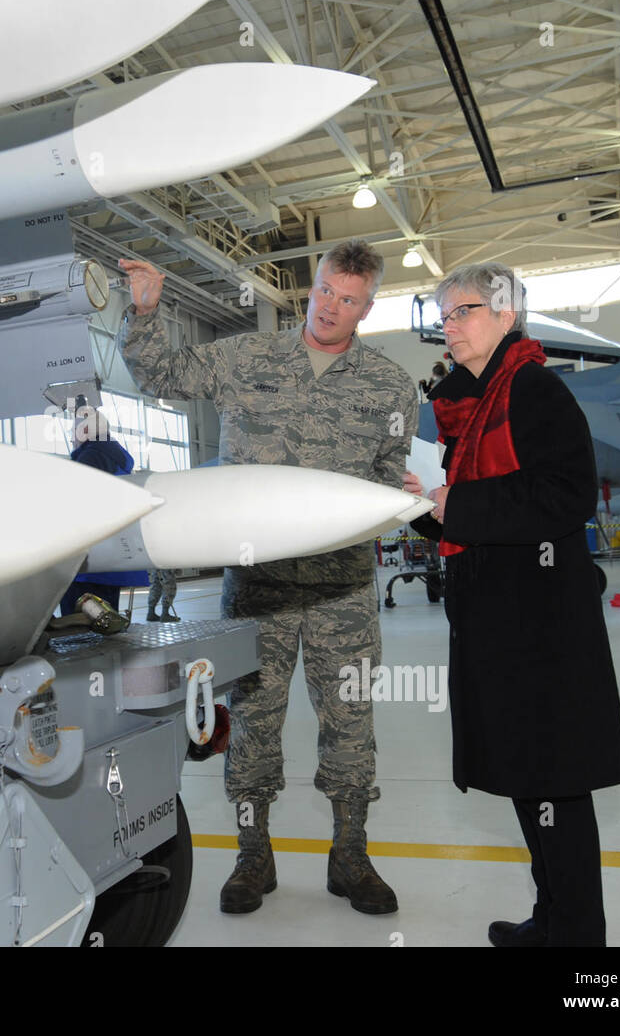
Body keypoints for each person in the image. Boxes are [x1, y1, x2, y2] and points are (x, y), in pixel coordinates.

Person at [118, 240, 416, 916]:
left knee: (351, 727)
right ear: (312, 288)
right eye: (325, 294)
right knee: (252, 727)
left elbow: (385, 481)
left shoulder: (390, 386)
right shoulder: (248, 357)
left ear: (368, 306)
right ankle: (254, 857)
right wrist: (145, 312)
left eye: (348, 300)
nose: (331, 309)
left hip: (343, 591)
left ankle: (351, 856)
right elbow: (160, 374)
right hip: (258, 591)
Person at [403, 262, 620, 947]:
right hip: (495, 621)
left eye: (463, 310)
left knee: (556, 781)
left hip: (541, 626)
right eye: (444, 315)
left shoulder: (534, 390)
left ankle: (579, 936)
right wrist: (418, 503)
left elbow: (566, 496)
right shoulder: (462, 406)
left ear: (506, 315)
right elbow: (462, 518)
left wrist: (456, 502)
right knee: (532, 780)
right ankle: (553, 920)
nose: (450, 325)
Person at [58, 406, 148, 618]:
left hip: (89, 565)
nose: (71, 439)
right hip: (112, 561)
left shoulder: (92, 457)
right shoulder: (115, 458)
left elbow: (75, 504)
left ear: (86, 432)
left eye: (74, 432)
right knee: (105, 621)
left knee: (77, 628)